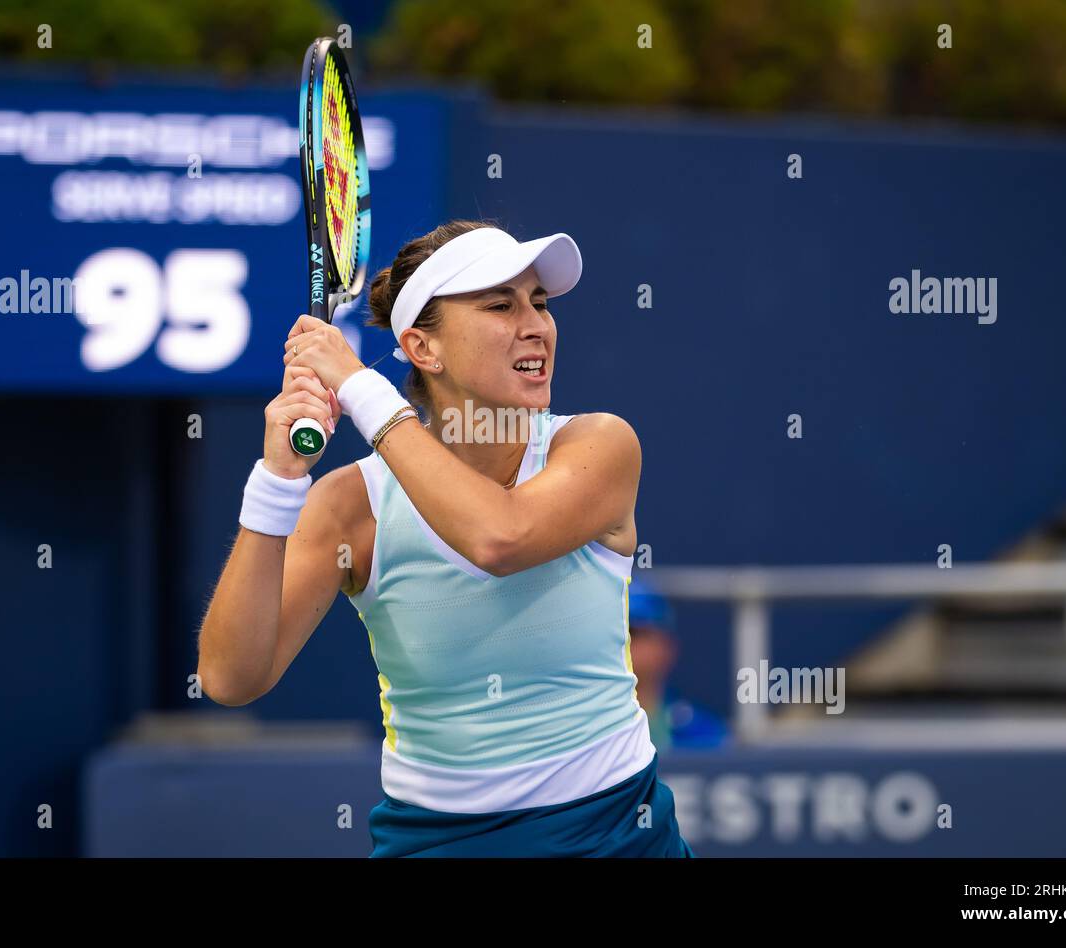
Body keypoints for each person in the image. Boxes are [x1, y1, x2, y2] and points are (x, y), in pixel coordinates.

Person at [198, 220, 694, 857]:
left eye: (539, 303)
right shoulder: (351, 507)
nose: (536, 324)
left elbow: (499, 539)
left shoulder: (597, 445)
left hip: (617, 835)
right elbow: (230, 677)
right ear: (422, 349)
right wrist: (277, 481)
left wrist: (361, 389)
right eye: (499, 304)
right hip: (434, 841)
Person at [625, 580, 729, 753]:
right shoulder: (580, 729)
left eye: (633, 633)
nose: (622, 642)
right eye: (613, 633)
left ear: (665, 646)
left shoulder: (701, 733)